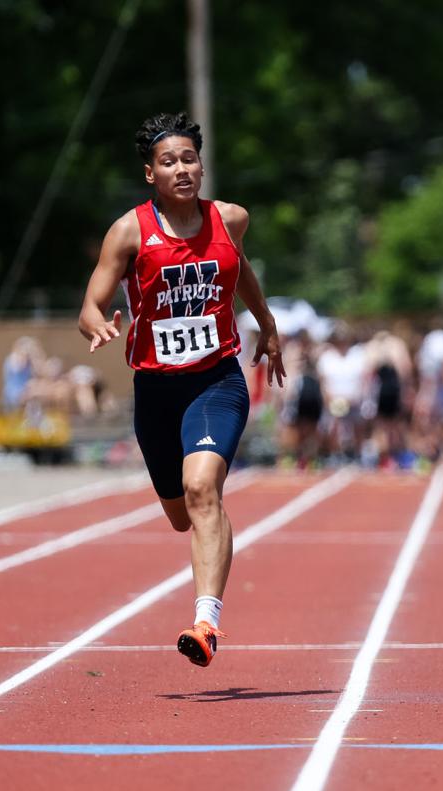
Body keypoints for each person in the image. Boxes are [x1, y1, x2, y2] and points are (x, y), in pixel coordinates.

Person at [78, 111, 284, 668]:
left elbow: (239, 269)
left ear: (201, 165)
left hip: (216, 380)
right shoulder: (129, 232)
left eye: (189, 158)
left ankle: (206, 622)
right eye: (168, 162)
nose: (181, 169)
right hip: (156, 391)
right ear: (151, 173)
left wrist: (266, 325)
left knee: (202, 489)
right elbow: (90, 304)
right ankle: (204, 557)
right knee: (179, 513)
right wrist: (96, 323)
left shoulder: (230, 219)